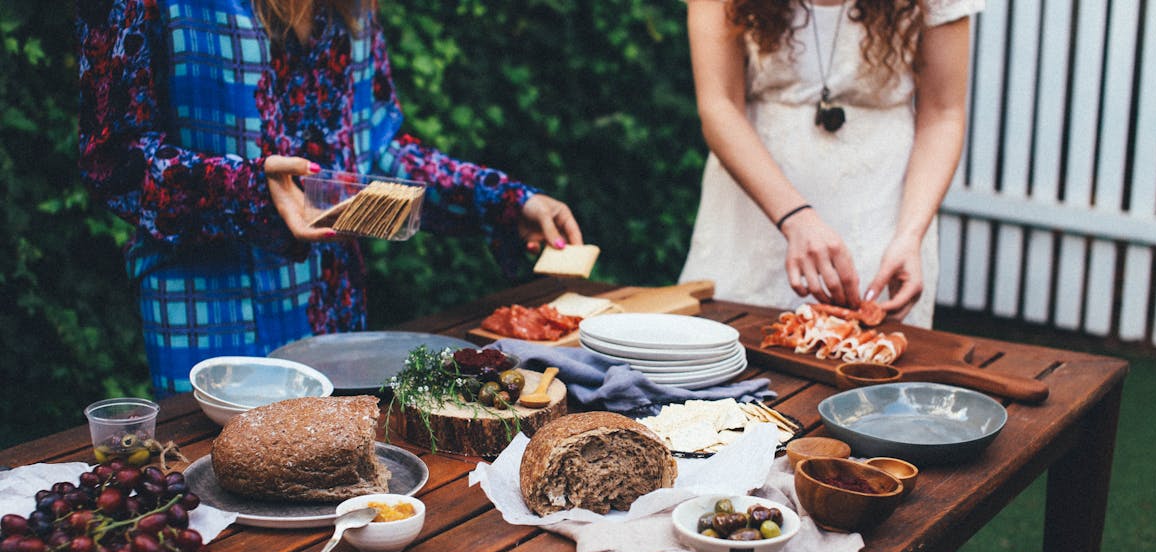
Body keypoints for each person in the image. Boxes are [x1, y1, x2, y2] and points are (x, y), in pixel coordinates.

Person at [77, 0, 583, 395]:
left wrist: (504, 201)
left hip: (336, 321)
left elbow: (374, 151)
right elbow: (114, 161)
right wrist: (246, 188)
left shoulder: (350, 7)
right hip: (214, 322)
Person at [677, 0, 980, 326]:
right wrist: (794, 217)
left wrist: (910, 234)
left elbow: (943, 114)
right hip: (752, 218)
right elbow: (719, 105)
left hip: (882, 219)